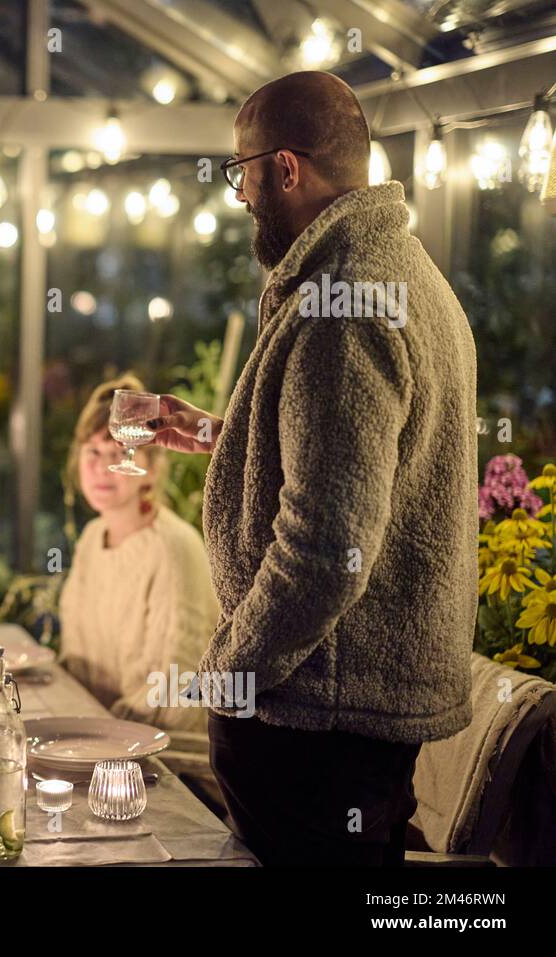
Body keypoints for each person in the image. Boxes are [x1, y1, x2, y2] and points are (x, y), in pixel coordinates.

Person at [147, 71, 477, 866]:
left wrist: (233, 671)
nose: (241, 197)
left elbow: (329, 545)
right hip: (345, 711)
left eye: (242, 172)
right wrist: (229, 437)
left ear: (285, 168)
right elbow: (361, 462)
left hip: (318, 716)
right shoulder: (405, 273)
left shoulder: (345, 300)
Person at [58, 374, 219, 733]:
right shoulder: (91, 538)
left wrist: (92, 734)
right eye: (93, 452)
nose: (102, 468)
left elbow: (176, 693)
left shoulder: (173, 546)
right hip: (91, 737)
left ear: (153, 469)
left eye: (118, 452)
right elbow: (74, 659)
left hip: (162, 755)